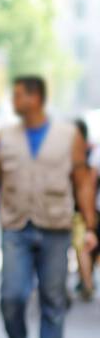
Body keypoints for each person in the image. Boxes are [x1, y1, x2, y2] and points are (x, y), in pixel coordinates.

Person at [0, 76, 97, 338]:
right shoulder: (3, 137)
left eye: (18, 95)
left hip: (56, 226)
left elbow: (83, 180)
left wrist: (90, 226)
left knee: (53, 300)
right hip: (16, 226)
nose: (13, 101)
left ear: (36, 98)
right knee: (11, 297)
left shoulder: (68, 135)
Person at [72, 119, 97, 301]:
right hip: (87, 209)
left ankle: (86, 281)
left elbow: (89, 184)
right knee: (83, 247)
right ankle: (86, 281)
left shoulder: (93, 153)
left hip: (87, 209)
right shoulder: (91, 151)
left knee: (83, 247)